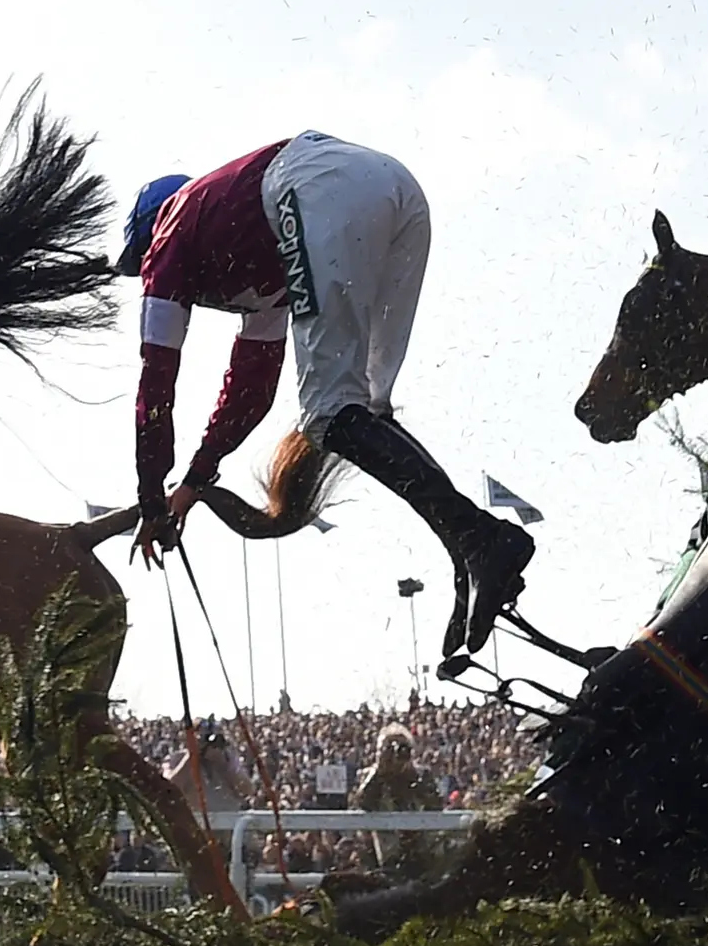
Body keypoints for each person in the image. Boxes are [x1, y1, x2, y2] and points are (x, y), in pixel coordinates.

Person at [119, 131, 534, 657]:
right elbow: (250, 392)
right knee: (363, 412)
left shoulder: (169, 234)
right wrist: (196, 478)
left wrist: (151, 498)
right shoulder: (244, 244)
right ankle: (467, 552)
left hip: (316, 190)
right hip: (394, 188)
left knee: (330, 414)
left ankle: (479, 537)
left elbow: (155, 382)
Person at [354, 722, 443, 875]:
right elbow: (364, 803)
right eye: (389, 748)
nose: (396, 753)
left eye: (403, 746)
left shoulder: (422, 775)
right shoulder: (370, 776)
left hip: (422, 854)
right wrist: (380, 771)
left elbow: (436, 805)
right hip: (387, 857)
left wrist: (412, 775)